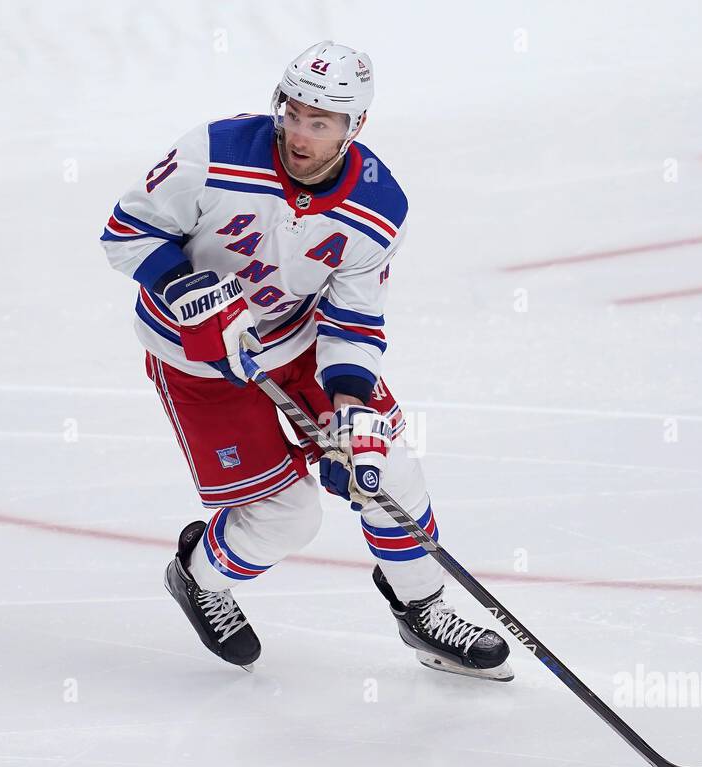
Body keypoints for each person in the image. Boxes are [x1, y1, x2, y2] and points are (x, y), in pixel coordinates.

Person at [100, 41, 511, 681]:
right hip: (199, 362)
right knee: (287, 518)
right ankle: (199, 576)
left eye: (319, 123)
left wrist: (348, 412)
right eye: (292, 113)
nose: (299, 133)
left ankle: (421, 608)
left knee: (386, 462)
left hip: (301, 345)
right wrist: (183, 287)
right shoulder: (214, 151)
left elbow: (354, 317)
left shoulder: (378, 204)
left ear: (356, 127)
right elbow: (128, 231)